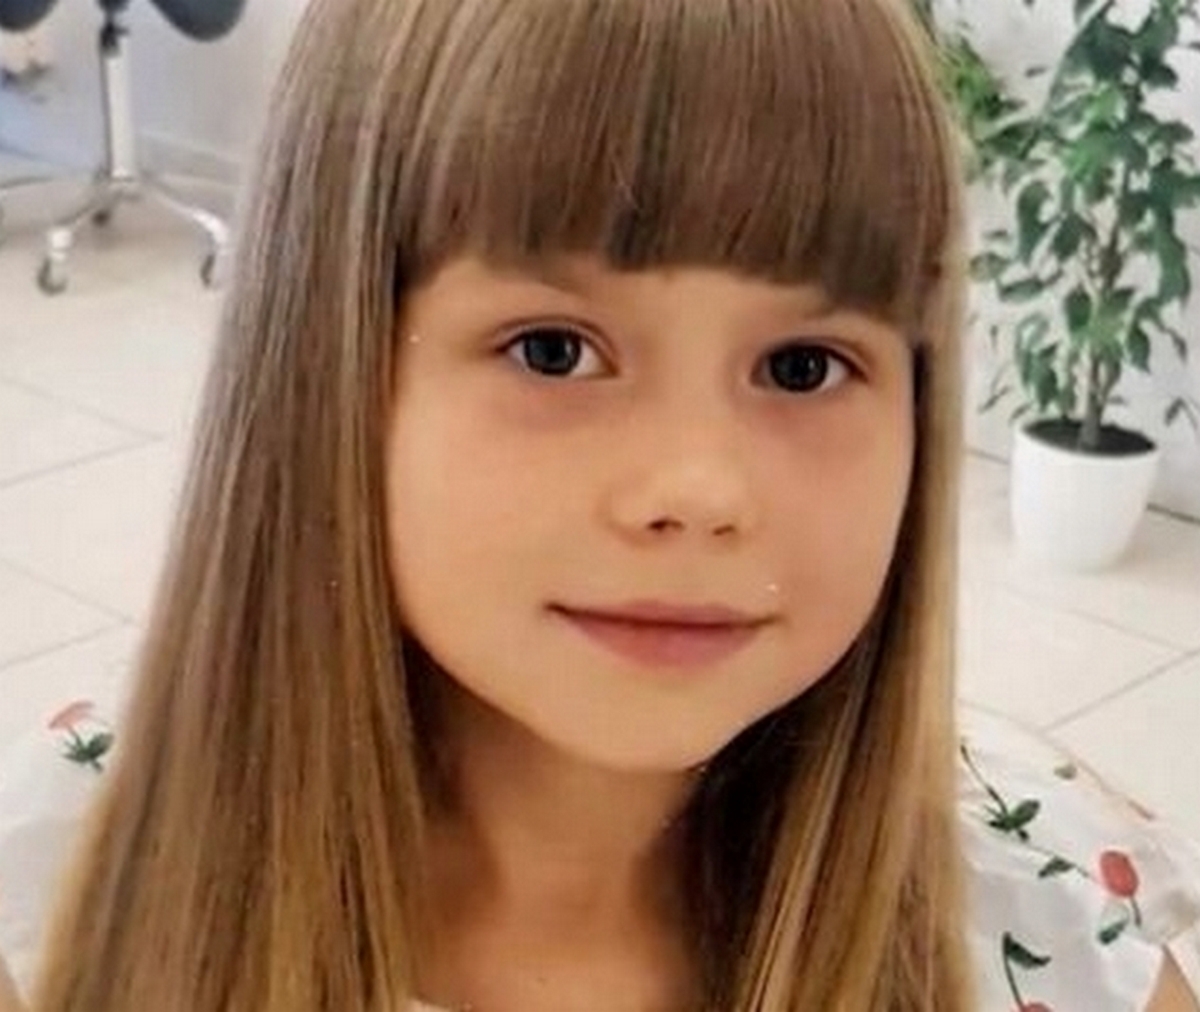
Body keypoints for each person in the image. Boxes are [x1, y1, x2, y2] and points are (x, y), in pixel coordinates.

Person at [1, 0, 1197, 1009]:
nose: (700, 490)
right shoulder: (64, 884)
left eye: (802, 367)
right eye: (554, 350)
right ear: (331, 367)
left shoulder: (1053, 928)